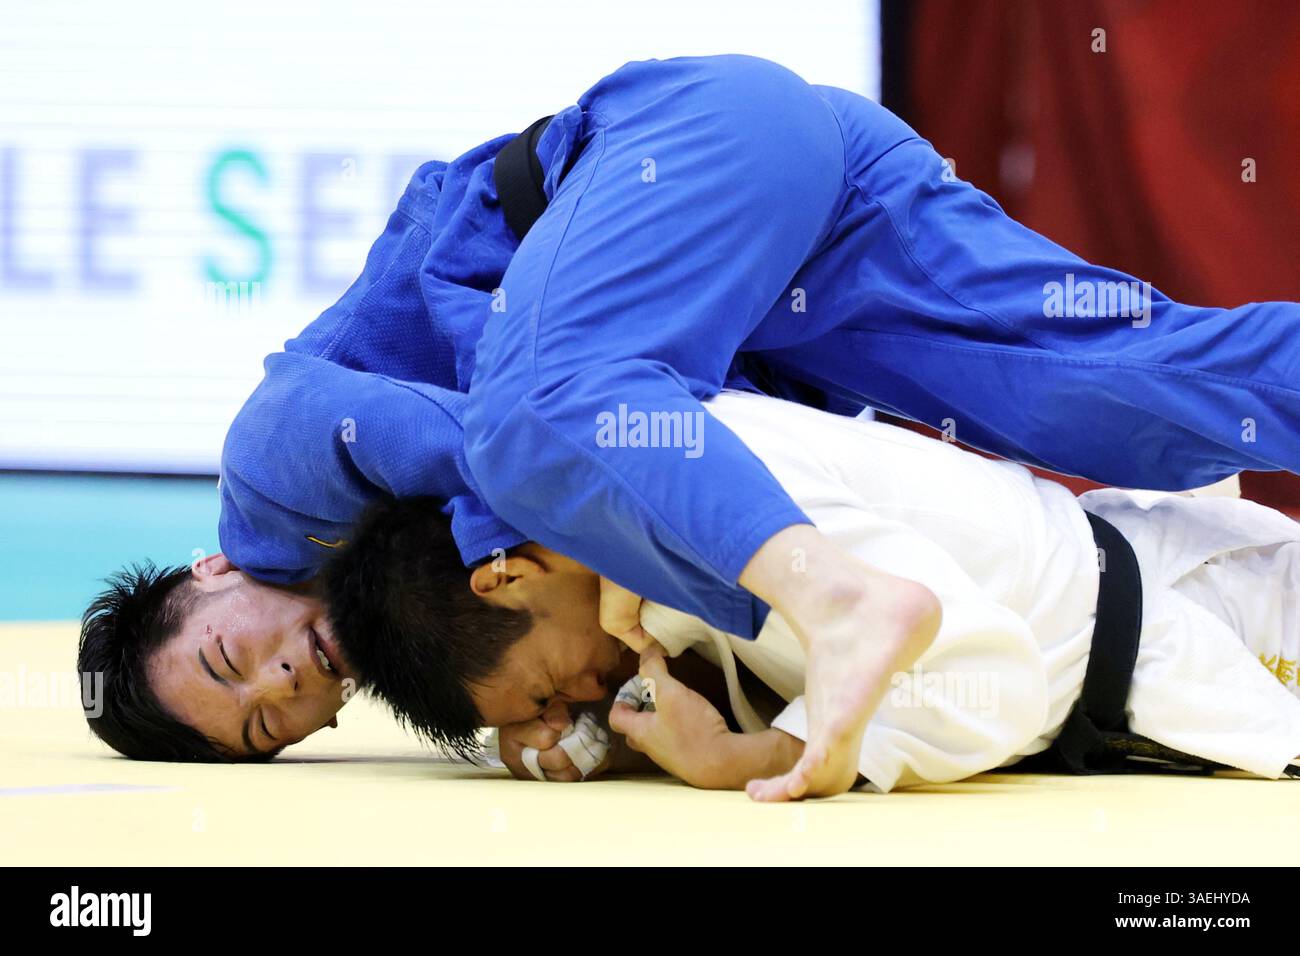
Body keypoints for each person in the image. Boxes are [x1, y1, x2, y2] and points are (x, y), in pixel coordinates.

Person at [154, 53, 1299, 795]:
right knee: (1122, 398)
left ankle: (839, 597)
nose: (285, 682)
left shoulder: (269, 477)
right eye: (271, 728)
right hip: (802, 239)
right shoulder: (420, 620)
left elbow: (462, 435)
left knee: (532, 416)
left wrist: (543, 581)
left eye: (228, 658)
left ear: (209, 573)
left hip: (690, 154)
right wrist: (580, 710)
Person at [323, 391, 1300, 798]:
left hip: (1220, 623)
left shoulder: (695, 501)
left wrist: (746, 756)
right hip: (1156, 661)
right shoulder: (654, 528)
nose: (574, 702)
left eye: (544, 690)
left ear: (507, 577)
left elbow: (991, 683)